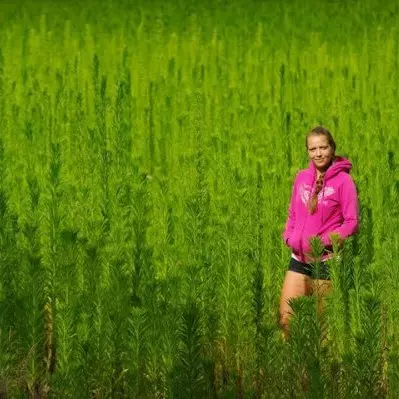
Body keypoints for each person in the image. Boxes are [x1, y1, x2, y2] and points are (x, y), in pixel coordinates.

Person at [279, 125, 359, 339]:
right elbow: (292, 213)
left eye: (323, 147)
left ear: (332, 148)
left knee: (320, 328)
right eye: (313, 149)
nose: (318, 153)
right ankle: (291, 369)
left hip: (325, 261)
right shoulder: (301, 178)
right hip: (298, 259)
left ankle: (319, 370)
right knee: (286, 320)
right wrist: (289, 236)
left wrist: (325, 241)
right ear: (307, 151)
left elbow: (351, 222)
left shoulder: (344, 182)